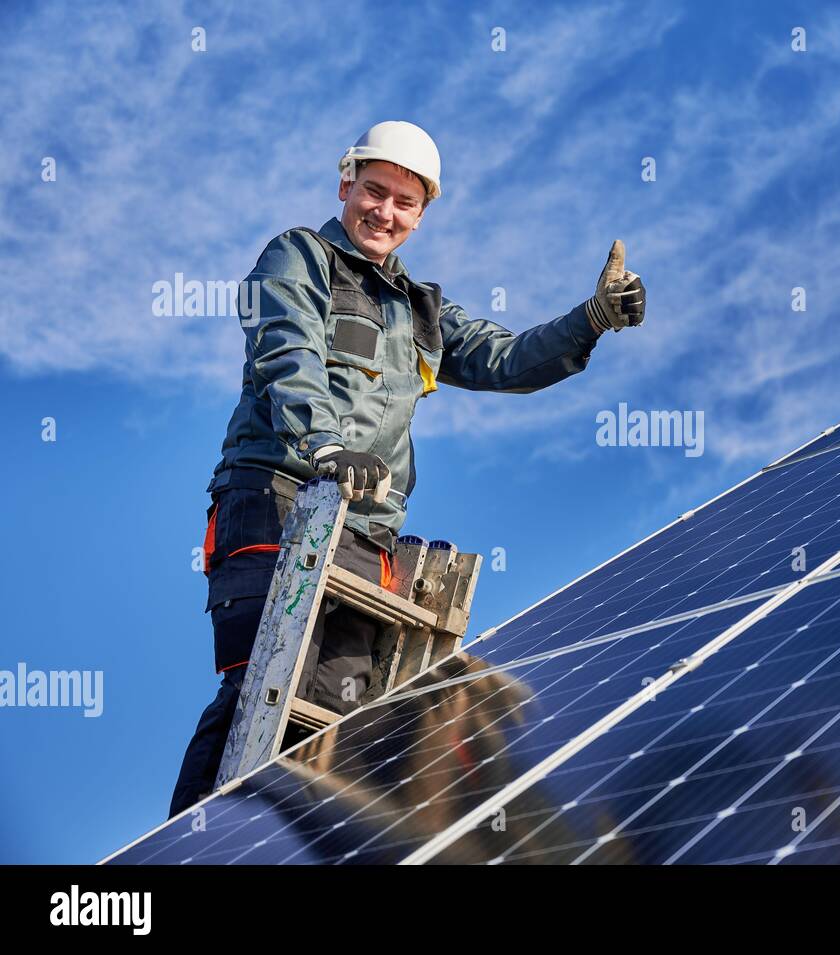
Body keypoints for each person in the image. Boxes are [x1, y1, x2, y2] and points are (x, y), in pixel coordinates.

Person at [168, 120, 646, 818]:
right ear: (346, 184)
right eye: (374, 191)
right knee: (260, 688)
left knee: (335, 715)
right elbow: (287, 355)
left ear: (421, 216)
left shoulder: (421, 310)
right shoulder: (300, 258)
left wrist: (593, 318)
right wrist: (324, 445)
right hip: (278, 499)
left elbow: (508, 359)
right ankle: (184, 848)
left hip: (365, 535)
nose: (384, 212)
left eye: (403, 202)